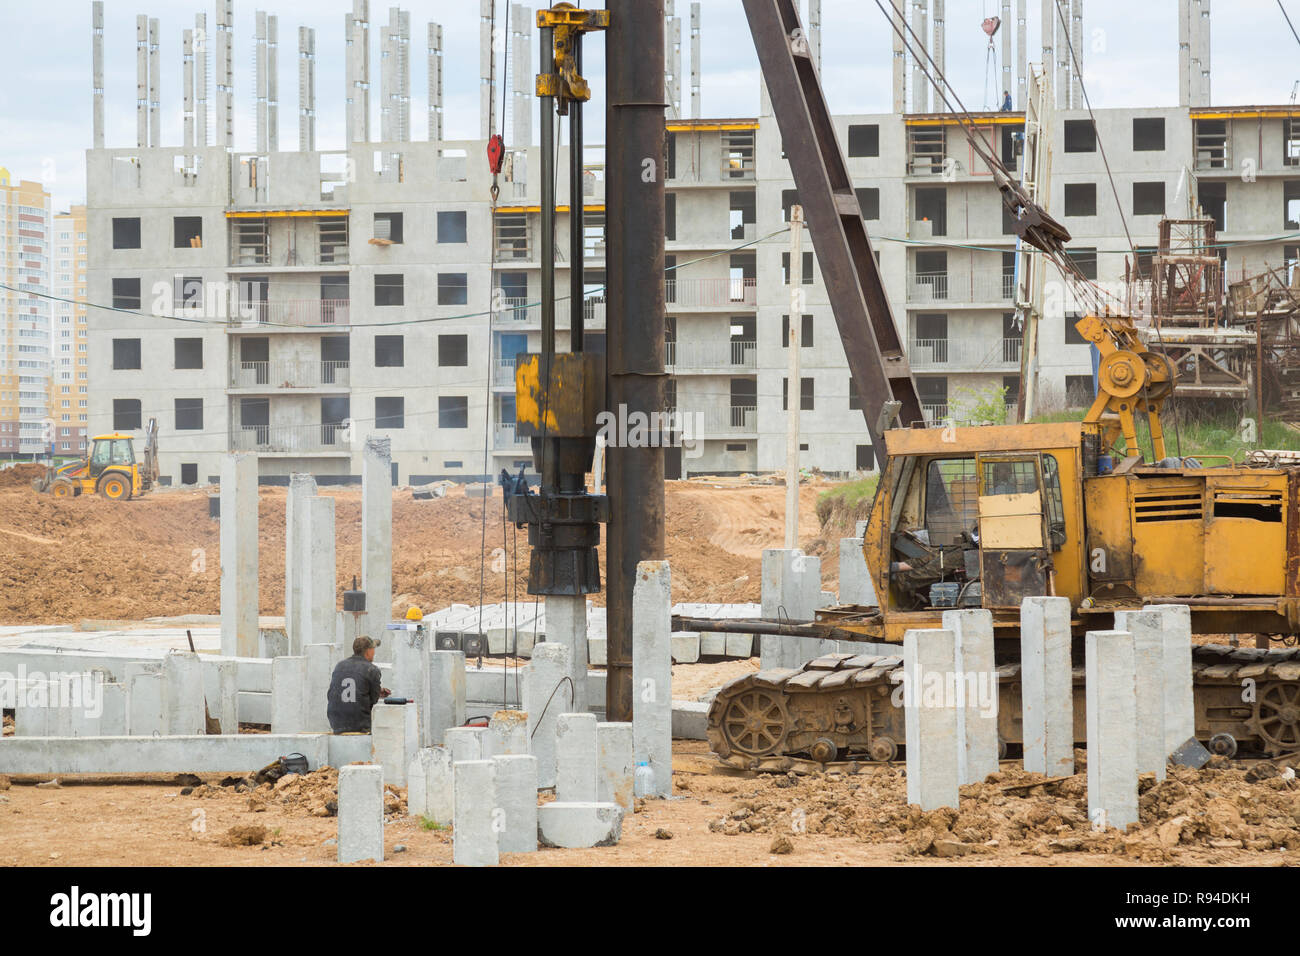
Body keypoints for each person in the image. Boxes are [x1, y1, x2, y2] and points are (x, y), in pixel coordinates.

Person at [326, 636, 389, 733]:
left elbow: (334, 693)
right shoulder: (372, 669)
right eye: (373, 649)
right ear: (368, 651)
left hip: (336, 723)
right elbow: (373, 700)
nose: (374, 652)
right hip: (360, 724)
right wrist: (375, 692)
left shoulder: (339, 666)